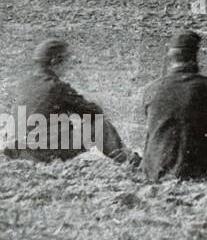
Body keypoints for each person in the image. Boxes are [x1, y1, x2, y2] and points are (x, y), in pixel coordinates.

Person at [3, 39, 136, 165]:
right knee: (101, 126)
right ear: (55, 61)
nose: (69, 65)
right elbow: (93, 112)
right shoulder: (56, 86)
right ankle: (130, 161)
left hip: (19, 148)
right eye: (67, 59)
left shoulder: (24, 84)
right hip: (42, 152)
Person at [141, 31, 207, 182]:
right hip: (199, 171)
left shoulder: (151, 88)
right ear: (194, 57)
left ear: (170, 59)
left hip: (156, 172)